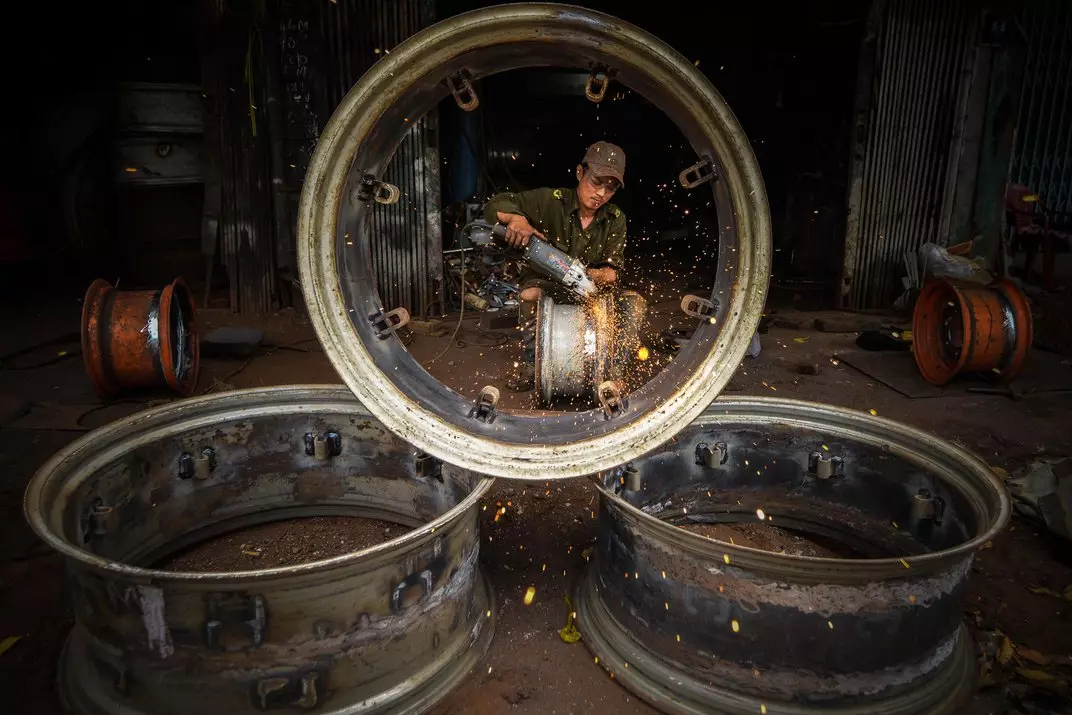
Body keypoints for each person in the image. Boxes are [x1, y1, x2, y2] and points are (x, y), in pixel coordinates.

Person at [483, 141, 628, 391]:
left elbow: (614, 271)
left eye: (611, 187)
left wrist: (598, 275)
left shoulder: (615, 219)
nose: (602, 194)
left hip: (591, 291)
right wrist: (516, 219)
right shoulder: (549, 201)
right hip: (550, 285)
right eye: (597, 181)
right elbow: (497, 203)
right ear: (580, 172)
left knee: (633, 304)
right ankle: (533, 364)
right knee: (530, 293)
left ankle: (614, 374)